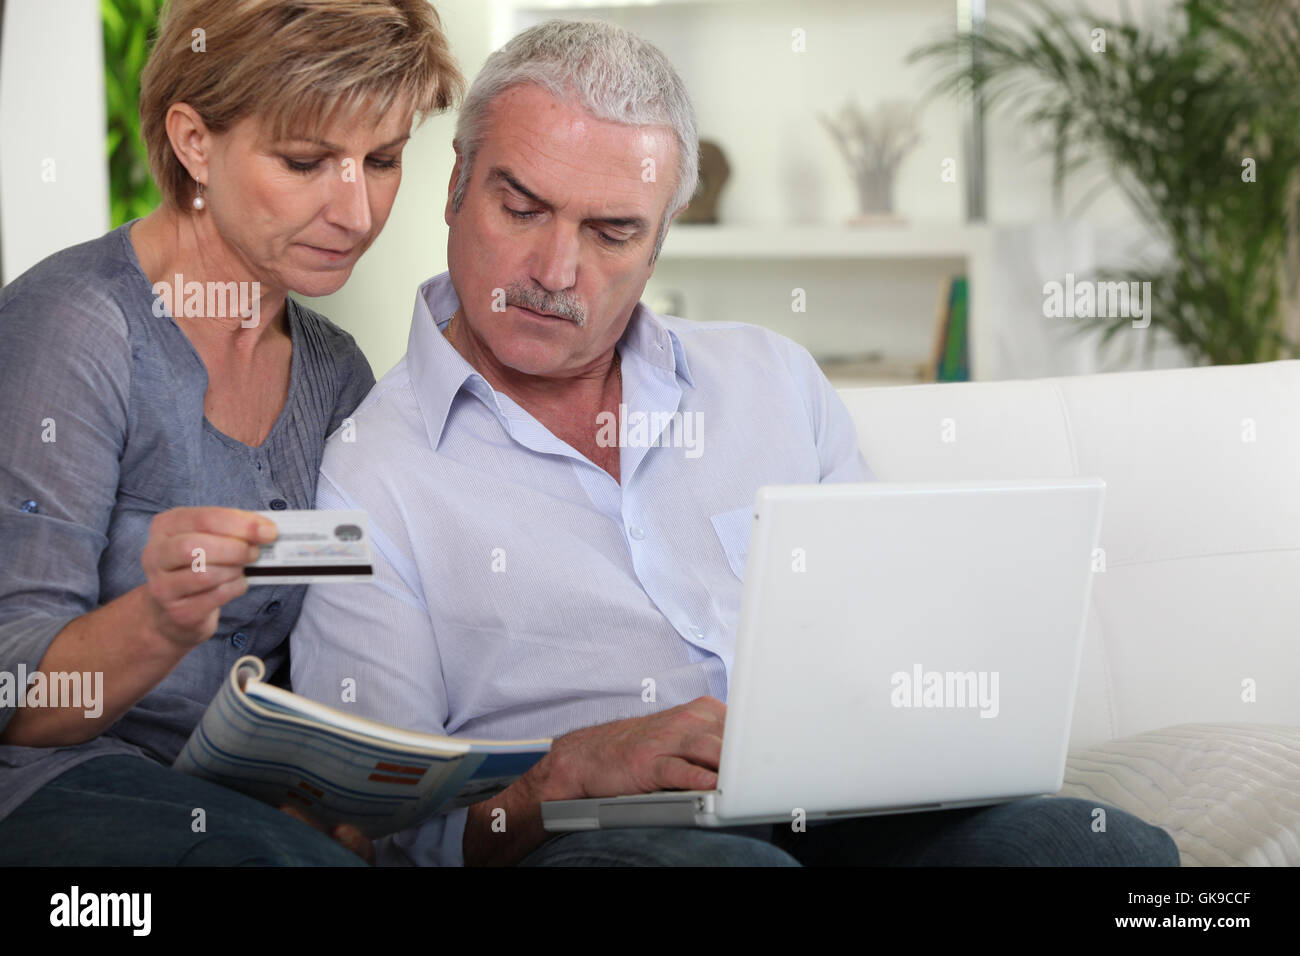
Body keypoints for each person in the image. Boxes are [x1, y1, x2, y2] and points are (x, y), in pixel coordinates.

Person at [290, 19, 1181, 868]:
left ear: (662, 238)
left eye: (612, 233)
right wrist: (561, 779)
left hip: (849, 811)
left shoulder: (772, 382)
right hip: (595, 840)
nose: (556, 272)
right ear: (456, 186)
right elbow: (385, 831)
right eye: (521, 208)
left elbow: (889, 643)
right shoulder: (374, 470)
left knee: (1103, 852)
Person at [0, 0, 463, 865]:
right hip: (55, 783)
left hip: (234, 804)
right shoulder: (78, 327)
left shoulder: (335, 376)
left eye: (384, 160)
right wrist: (161, 621)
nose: (357, 212)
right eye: (304, 161)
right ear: (193, 141)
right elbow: (13, 692)